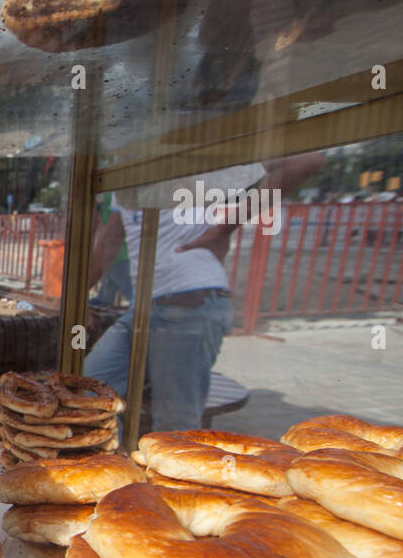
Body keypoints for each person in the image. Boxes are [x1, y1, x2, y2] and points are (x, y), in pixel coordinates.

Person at [84, 153, 323, 432]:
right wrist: (77, 298)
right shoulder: (124, 182)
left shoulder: (193, 165)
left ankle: (169, 472)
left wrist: (224, 230)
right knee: (90, 393)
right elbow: (107, 246)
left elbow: (306, 159)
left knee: (175, 422)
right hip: (145, 307)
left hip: (190, 303)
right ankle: (110, 467)